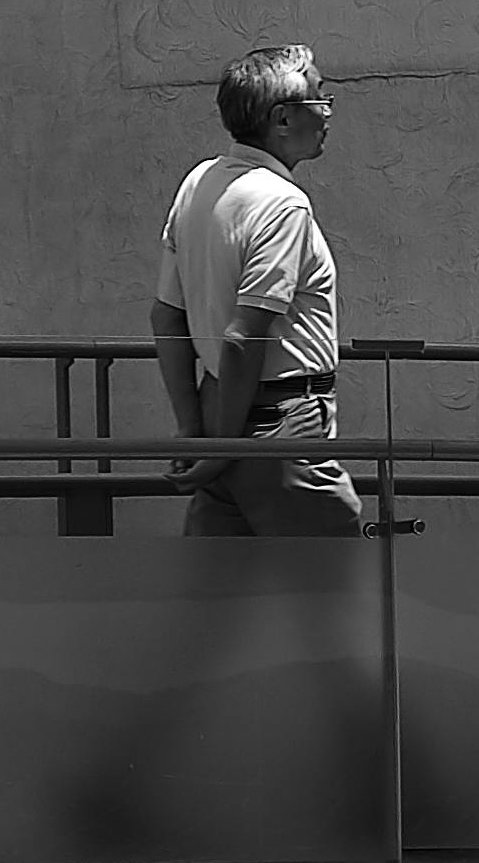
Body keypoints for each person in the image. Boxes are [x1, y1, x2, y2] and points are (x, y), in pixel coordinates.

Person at [156, 42, 370, 535]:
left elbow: (166, 315)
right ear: (282, 118)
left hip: (219, 414)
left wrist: (195, 431)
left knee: (224, 580)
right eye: (320, 97)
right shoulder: (283, 204)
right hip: (278, 428)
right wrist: (225, 450)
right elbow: (243, 335)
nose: (328, 111)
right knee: (334, 574)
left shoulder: (198, 182)